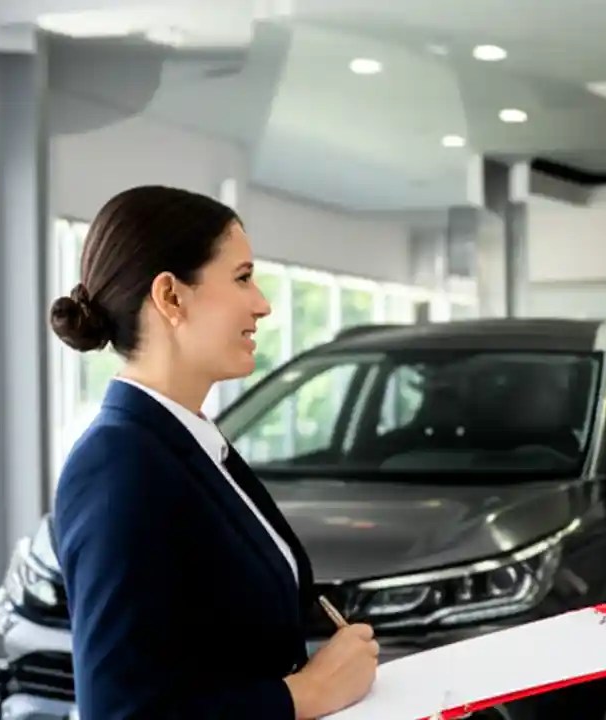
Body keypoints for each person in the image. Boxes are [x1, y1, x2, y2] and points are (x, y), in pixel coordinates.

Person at [48, 185, 379, 719]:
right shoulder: (118, 468)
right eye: (243, 278)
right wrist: (306, 694)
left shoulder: (186, 441)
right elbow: (120, 712)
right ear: (171, 297)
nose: (264, 304)